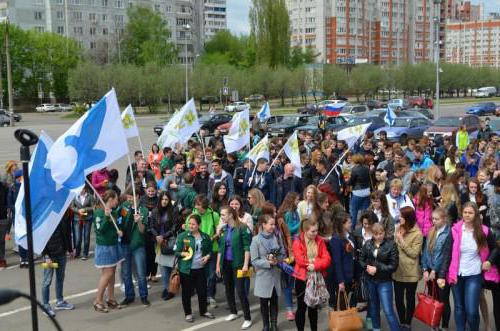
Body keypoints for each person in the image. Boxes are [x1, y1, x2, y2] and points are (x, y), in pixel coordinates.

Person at [438, 202, 499, 331]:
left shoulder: (484, 231)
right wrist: (442, 275)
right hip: (456, 275)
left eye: (470, 212)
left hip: (474, 275)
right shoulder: (455, 230)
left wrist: (489, 261)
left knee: (471, 310)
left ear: (476, 214)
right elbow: (447, 254)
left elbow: (495, 249)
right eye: (465, 212)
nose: (467, 215)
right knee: (459, 308)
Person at [215, 207, 253, 329]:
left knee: (241, 291)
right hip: (226, 263)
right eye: (221, 215)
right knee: (228, 289)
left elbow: (247, 247)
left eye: (223, 214)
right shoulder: (224, 229)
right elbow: (221, 248)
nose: (221, 217)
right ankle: (233, 312)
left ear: (231, 215)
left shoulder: (242, 227)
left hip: (239, 264)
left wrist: (246, 264)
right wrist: (218, 264)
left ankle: (247, 318)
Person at [359, 223, 400, 331]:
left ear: (384, 233)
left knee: (388, 310)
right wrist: (367, 267)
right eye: (376, 234)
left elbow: (393, 266)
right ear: (372, 234)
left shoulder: (391, 245)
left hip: (384, 281)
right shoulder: (367, 244)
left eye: (381, 233)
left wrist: (377, 268)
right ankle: (376, 328)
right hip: (370, 280)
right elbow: (361, 259)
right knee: (373, 308)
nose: (379, 236)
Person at [292, 219, 331, 331]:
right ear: (305, 230)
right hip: (302, 278)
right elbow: (300, 260)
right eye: (313, 231)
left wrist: (315, 265)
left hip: (316, 278)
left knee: (313, 307)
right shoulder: (298, 241)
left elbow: (327, 259)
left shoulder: (319, 241)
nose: (316, 233)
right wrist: (317, 260)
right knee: (301, 307)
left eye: (317, 231)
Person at [176, 214, 215, 322]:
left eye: (193, 224)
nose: (191, 226)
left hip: (200, 269)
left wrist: (207, 256)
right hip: (186, 269)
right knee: (186, 293)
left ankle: (204, 311)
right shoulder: (183, 236)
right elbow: (176, 252)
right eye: (189, 223)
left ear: (199, 225)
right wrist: (183, 254)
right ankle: (188, 313)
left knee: (202, 291)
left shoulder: (205, 237)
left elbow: (210, 251)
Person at [250, 215, 285, 331]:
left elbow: (282, 254)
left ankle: (274, 324)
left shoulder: (277, 237)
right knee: (264, 303)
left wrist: (278, 259)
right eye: (270, 224)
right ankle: (265, 325)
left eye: (274, 224)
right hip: (263, 276)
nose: (273, 226)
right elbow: (254, 260)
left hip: (275, 275)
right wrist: (268, 262)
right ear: (263, 225)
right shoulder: (256, 240)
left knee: (274, 301)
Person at [393, 206, 423, 331]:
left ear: (407, 218)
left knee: (410, 299)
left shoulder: (418, 234)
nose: (399, 218)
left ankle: (407, 323)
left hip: (411, 271)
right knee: (398, 299)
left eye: (401, 216)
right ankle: (402, 321)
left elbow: (414, 253)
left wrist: (402, 241)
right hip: (397, 270)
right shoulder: (398, 228)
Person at [421, 207, 452, 331]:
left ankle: (444, 326)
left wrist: (434, 270)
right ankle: (435, 323)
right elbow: (425, 252)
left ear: (444, 219)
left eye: (437, 219)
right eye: (433, 218)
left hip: (441, 272)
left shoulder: (449, 233)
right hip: (429, 270)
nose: (434, 221)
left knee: (443, 300)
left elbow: (445, 256)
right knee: (433, 298)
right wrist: (424, 269)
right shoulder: (431, 230)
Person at [118, 188, 150, 307]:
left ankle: (143, 296)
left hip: (138, 244)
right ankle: (129, 296)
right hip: (125, 244)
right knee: (126, 273)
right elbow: (119, 221)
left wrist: (139, 221)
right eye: (128, 197)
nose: (129, 199)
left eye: (131, 197)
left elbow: (142, 230)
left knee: (141, 273)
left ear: (137, 196)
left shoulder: (144, 210)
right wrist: (119, 230)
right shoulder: (124, 206)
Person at [93, 190, 123, 313]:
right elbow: (100, 231)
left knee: (112, 273)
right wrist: (106, 216)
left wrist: (118, 231)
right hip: (104, 247)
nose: (117, 201)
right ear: (110, 199)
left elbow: (115, 225)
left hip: (113, 244)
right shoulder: (99, 212)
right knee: (107, 274)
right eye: (116, 199)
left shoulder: (113, 212)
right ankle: (98, 301)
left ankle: (111, 298)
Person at [188, 194, 220, 309]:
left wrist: (212, 237)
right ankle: (203, 295)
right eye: (196, 205)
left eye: (199, 206)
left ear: (205, 206)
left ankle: (211, 296)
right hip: (197, 250)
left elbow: (219, 231)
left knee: (211, 275)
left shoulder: (214, 215)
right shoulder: (193, 214)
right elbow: (188, 230)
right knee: (200, 276)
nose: (197, 208)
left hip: (211, 249)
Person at [41, 211, 74, 316]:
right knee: (47, 281)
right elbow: (41, 239)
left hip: (61, 253)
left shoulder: (63, 217)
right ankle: (46, 305)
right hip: (50, 256)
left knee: (60, 278)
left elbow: (67, 234)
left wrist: (70, 249)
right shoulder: (45, 219)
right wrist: (46, 256)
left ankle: (60, 301)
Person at [151, 191, 181, 301]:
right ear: (160, 200)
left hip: (170, 241)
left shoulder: (173, 211)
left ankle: (173, 287)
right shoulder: (155, 211)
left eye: (166, 199)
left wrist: (164, 236)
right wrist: (157, 236)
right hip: (158, 242)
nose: (164, 201)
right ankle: (166, 288)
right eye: (163, 199)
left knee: (172, 267)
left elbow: (174, 227)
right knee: (163, 268)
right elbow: (151, 226)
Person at [329, 212, 356, 311]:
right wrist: (340, 281)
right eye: (349, 222)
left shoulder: (350, 236)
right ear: (342, 225)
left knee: (346, 301)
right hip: (343, 276)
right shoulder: (336, 239)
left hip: (350, 274)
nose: (351, 224)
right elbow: (337, 261)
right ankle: (340, 324)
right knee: (341, 303)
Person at [70, 185, 96, 260]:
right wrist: (78, 211)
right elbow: (72, 207)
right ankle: (77, 253)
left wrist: (85, 209)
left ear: (85, 189)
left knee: (86, 237)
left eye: (82, 189)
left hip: (87, 218)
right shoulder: (75, 196)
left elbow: (93, 207)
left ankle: (85, 253)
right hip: (77, 219)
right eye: (79, 189)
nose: (81, 191)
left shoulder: (90, 196)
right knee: (78, 238)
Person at [140, 182, 159, 282]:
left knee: (155, 253)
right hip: (146, 229)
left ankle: (154, 273)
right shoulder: (142, 200)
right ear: (145, 190)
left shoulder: (159, 199)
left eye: (153, 191)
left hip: (155, 229)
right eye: (149, 191)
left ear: (156, 191)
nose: (151, 193)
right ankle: (147, 273)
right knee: (147, 253)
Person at [348, 154, 371, 229]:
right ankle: (364, 228)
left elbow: (351, 181)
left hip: (358, 192)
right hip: (367, 191)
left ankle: (352, 228)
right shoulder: (367, 168)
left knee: (354, 211)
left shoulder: (354, 169)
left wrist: (346, 182)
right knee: (364, 212)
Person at [0, 178, 10, 268]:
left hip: (3, 217)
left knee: (1, 241)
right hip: (3, 217)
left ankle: (2, 259)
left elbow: (8, 201)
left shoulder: (4, 187)